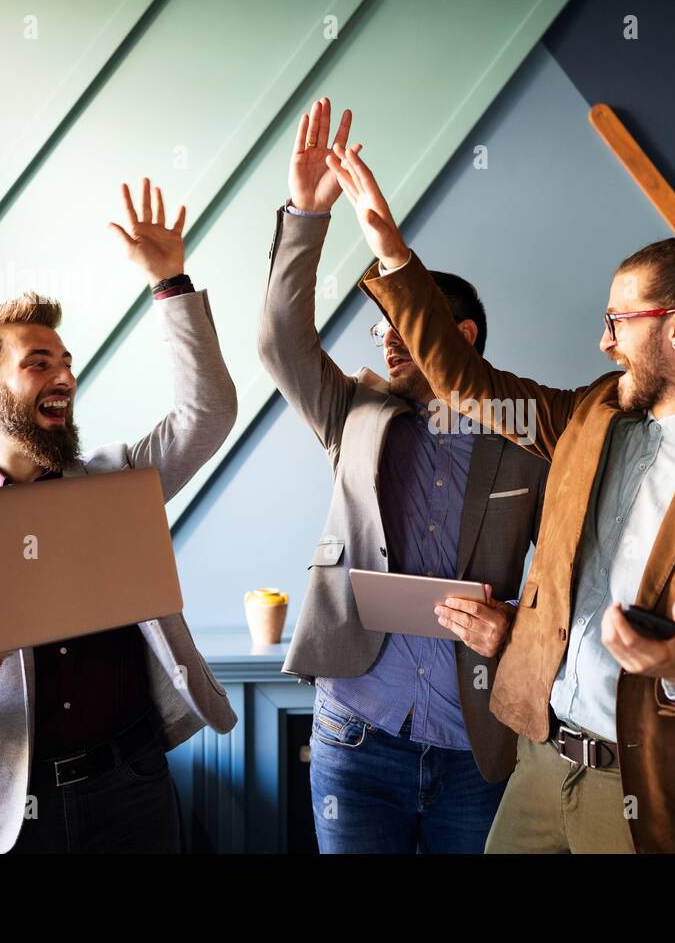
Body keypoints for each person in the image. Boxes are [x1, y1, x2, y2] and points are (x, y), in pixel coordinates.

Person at [325, 141, 675, 853]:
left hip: (647, 797)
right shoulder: (589, 416)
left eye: (618, 321)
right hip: (536, 765)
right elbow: (466, 383)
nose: (604, 340)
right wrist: (392, 250)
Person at [0, 179, 238, 853]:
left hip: (134, 787)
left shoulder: (117, 482)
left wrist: (170, 281)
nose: (63, 377)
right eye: (37, 364)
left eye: (66, 363)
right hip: (5, 821)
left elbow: (208, 417)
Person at [259, 99, 548, 853]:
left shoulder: (525, 434)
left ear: (462, 336)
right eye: (381, 327)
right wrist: (305, 218)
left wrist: (517, 623)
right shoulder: (350, 413)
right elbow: (279, 341)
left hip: (476, 747)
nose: (389, 341)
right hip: (357, 733)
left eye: (406, 325)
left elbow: (567, 572)